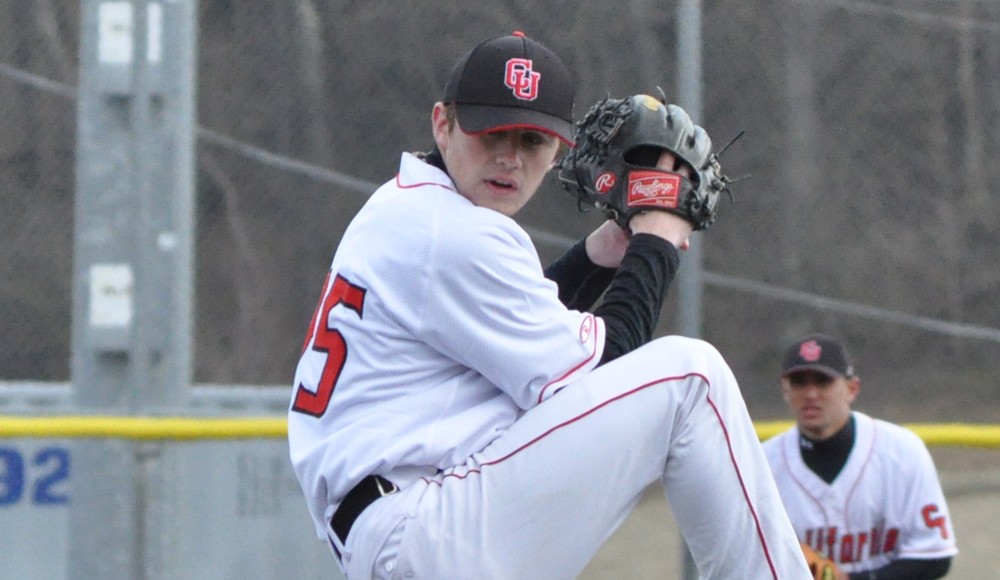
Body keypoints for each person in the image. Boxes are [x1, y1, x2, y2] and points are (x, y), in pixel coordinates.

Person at [288, 31, 810, 579]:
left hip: (410, 531)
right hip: (424, 529)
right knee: (692, 378)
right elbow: (601, 369)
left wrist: (599, 255)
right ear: (442, 123)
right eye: (492, 132)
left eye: (532, 140)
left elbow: (518, 333)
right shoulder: (457, 235)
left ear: (558, 151)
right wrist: (656, 239)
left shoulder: (405, 206)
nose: (510, 157)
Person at [763, 333, 958, 579]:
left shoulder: (901, 451)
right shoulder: (763, 465)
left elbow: (935, 557)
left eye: (823, 381)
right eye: (799, 382)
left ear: (852, 388)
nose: (810, 393)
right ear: (785, 391)